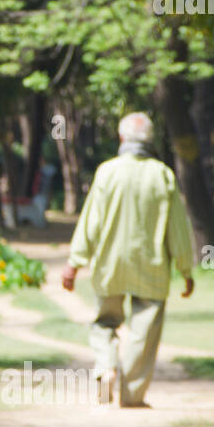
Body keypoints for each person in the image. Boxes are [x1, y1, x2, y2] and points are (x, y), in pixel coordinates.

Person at [62, 112, 195, 407]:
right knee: (143, 331)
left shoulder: (107, 172)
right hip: (151, 267)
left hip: (110, 266)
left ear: (122, 139)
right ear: (149, 141)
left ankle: (107, 367)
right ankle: (132, 395)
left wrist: (74, 262)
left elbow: (90, 223)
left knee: (105, 322)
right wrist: (186, 270)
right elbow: (178, 229)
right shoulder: (163, 175)